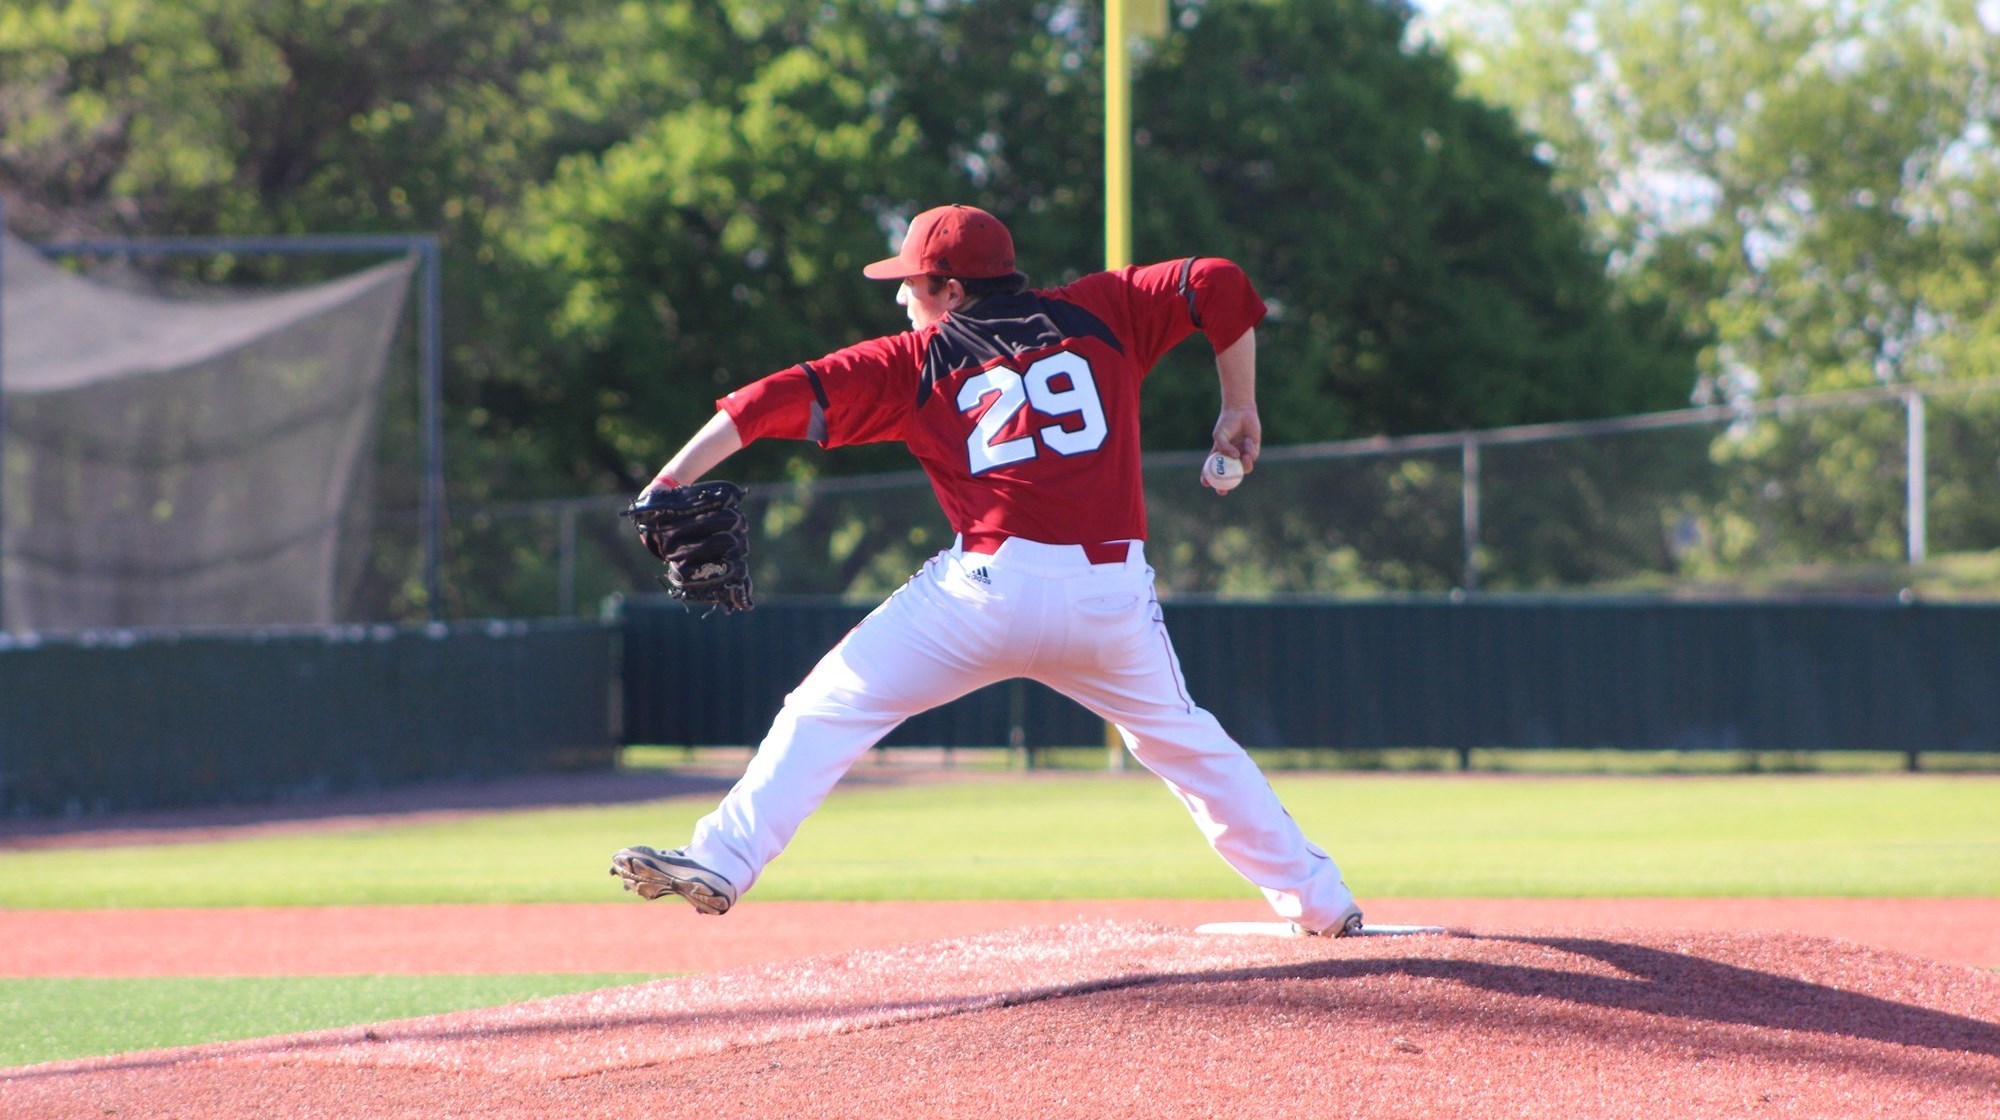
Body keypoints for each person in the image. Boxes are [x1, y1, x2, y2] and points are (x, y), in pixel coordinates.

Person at [609, 204, 1365, 936]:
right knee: (1188, 747)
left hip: (984, 596)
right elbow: (1221, 280)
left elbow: (766, 400)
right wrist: (1240, 406)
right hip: (1111, 599)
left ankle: (724, 857)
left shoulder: (916, 359)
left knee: (827, 708)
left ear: (954, 290)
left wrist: (668, 481)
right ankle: (1322, 904)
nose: (902, 296)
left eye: (912, 282)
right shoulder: (1104, 308)